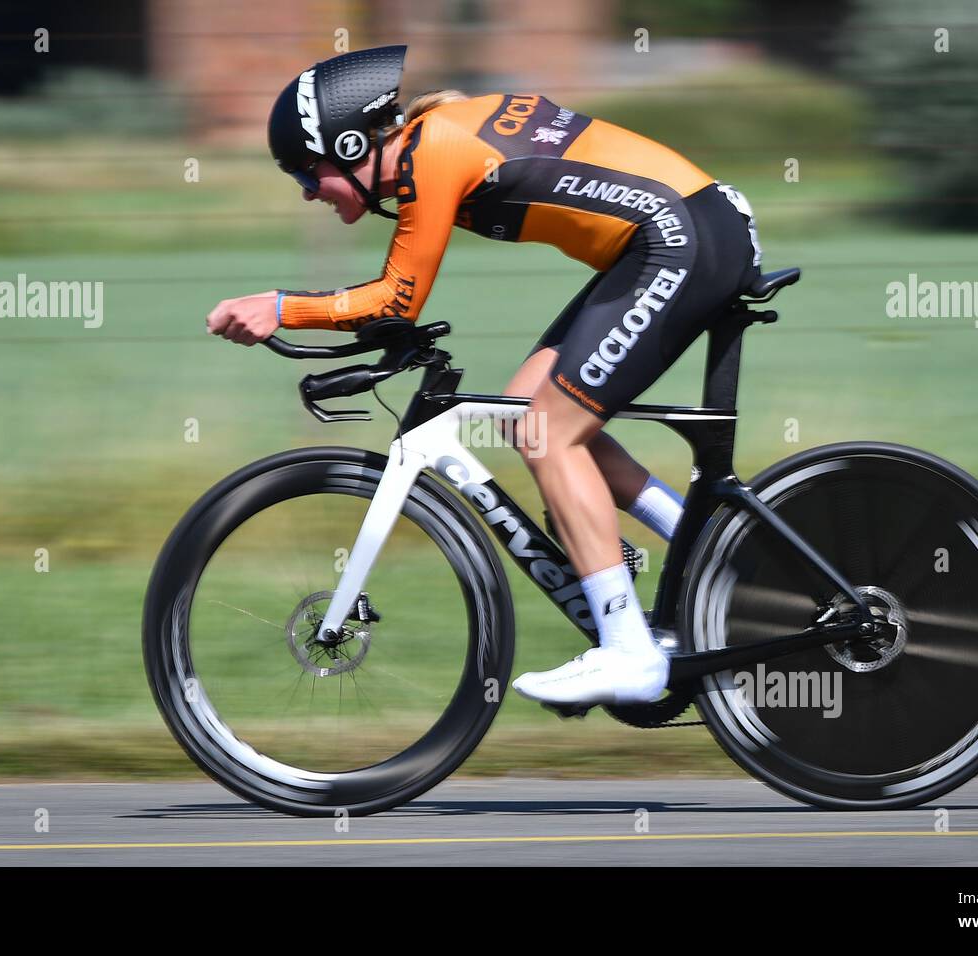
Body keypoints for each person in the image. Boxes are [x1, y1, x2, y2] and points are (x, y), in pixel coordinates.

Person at [206, 45, 764, 707]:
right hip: (677, 236)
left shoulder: (433, 150)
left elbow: (395, 298)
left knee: (550, 435)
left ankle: (630, 654)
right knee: (529, 409)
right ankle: (709, 545)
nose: (307, 192)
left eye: (308, 173)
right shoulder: (430, 145)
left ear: (352, 144)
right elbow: (400, 294)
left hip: (680, 239)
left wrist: (280, 309)